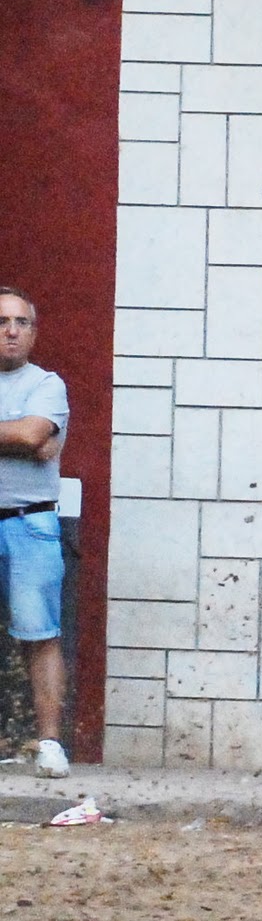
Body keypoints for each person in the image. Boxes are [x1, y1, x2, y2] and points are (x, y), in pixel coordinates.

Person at [0, 288, 70, 780]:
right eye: (3, 322)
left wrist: (28, 436)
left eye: (22, 322)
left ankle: (49, 745)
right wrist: (21, 435)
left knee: (40, 634)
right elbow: (25, 438)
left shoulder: (48, 384)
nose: (11, 331)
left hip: (31, 522)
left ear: (34, 332)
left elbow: (34, 436)